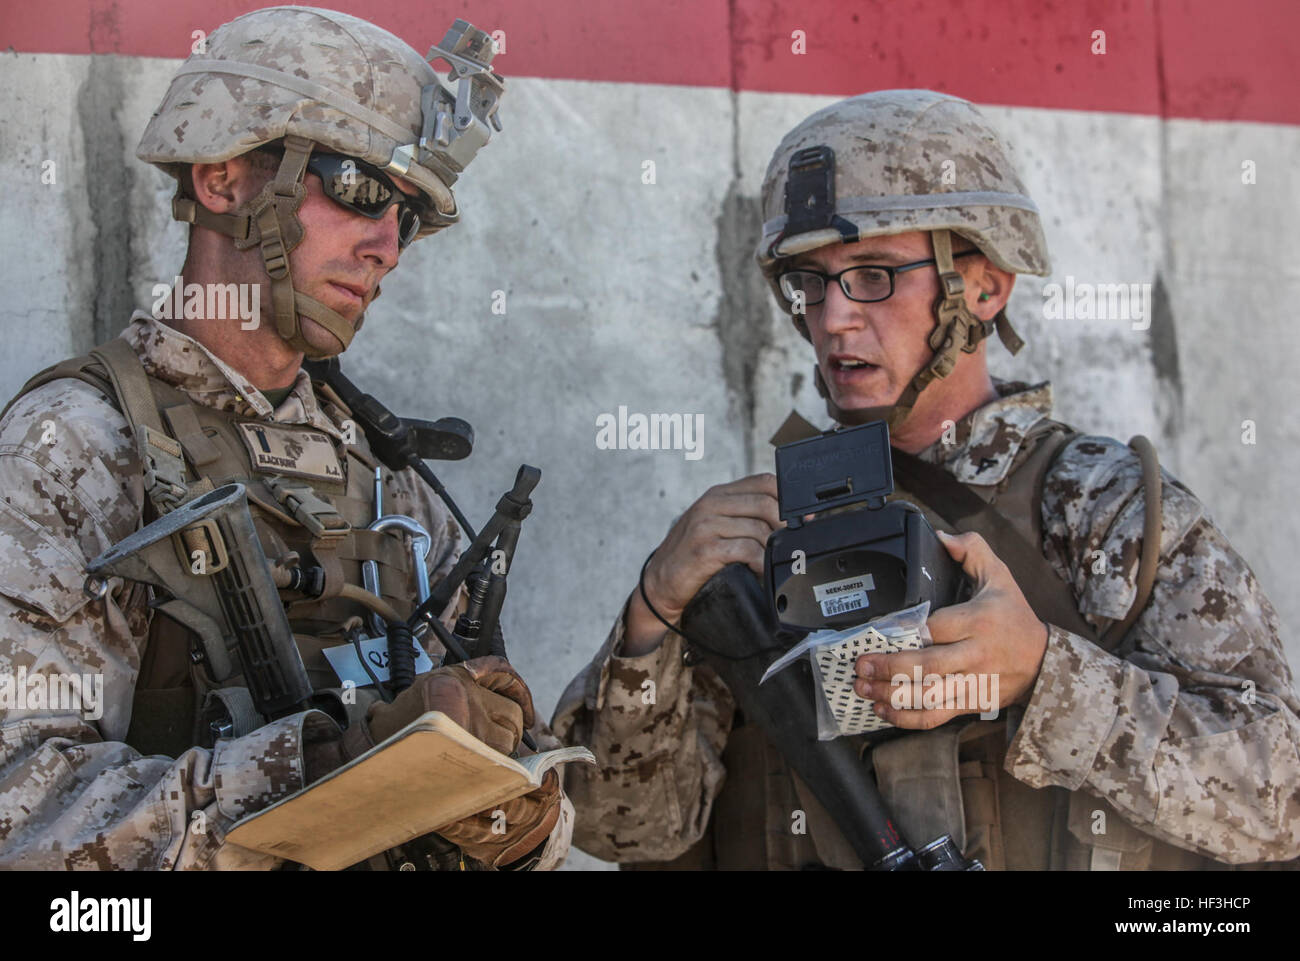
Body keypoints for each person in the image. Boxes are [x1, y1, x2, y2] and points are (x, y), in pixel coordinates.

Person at [552, 89, 1300, 870]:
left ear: (983, 286)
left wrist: (1046, 676)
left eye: (873, 275)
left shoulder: (1102, 514)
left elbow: (1278, 796)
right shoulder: (758, 539)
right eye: (809, 282)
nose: (832, 317)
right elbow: (619, 830)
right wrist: (651, 615)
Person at [0, 6, 570, 871]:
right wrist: (321, 773)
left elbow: (523, 804)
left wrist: (516, 817)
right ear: (225, 181)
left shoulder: (392, 481)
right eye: (359, 188)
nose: (386, 245)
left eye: (407, 216)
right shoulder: (75, 449)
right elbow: (24, 812)